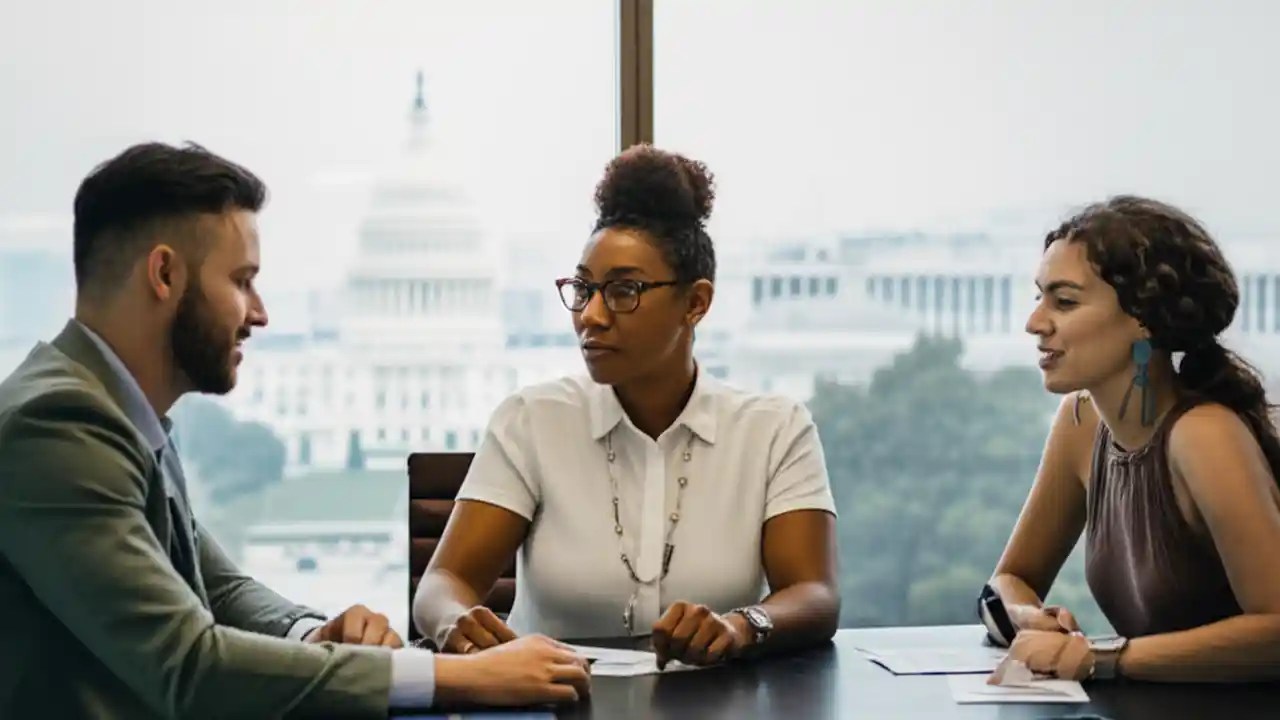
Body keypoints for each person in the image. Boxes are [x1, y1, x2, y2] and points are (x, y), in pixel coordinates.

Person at [0, 142, 589, 718]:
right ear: (163, 274)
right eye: (241, 280)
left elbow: (218, 589)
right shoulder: (58, 427)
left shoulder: (113, 410)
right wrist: (452, 677)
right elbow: (189, 665)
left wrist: (311, 634)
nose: (259, 313)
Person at [413, 144, 840, 668]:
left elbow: (814, 594)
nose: (590, 315)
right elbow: (444, 581)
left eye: (623, 291)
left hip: (712, 703)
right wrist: (452, 619)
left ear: (696, 303)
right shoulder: (532, 421)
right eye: (583, 289)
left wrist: (739, 626)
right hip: (555, 697)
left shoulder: (774, 428)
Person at [987, 195, 1280, 682]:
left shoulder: (1204, 436)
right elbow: (1010, 578)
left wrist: (1102, 658)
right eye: (1039, 297)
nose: (1034, 322)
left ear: (1143, 318)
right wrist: (1026, 616)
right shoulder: (1079, 425)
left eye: (1064, 301)